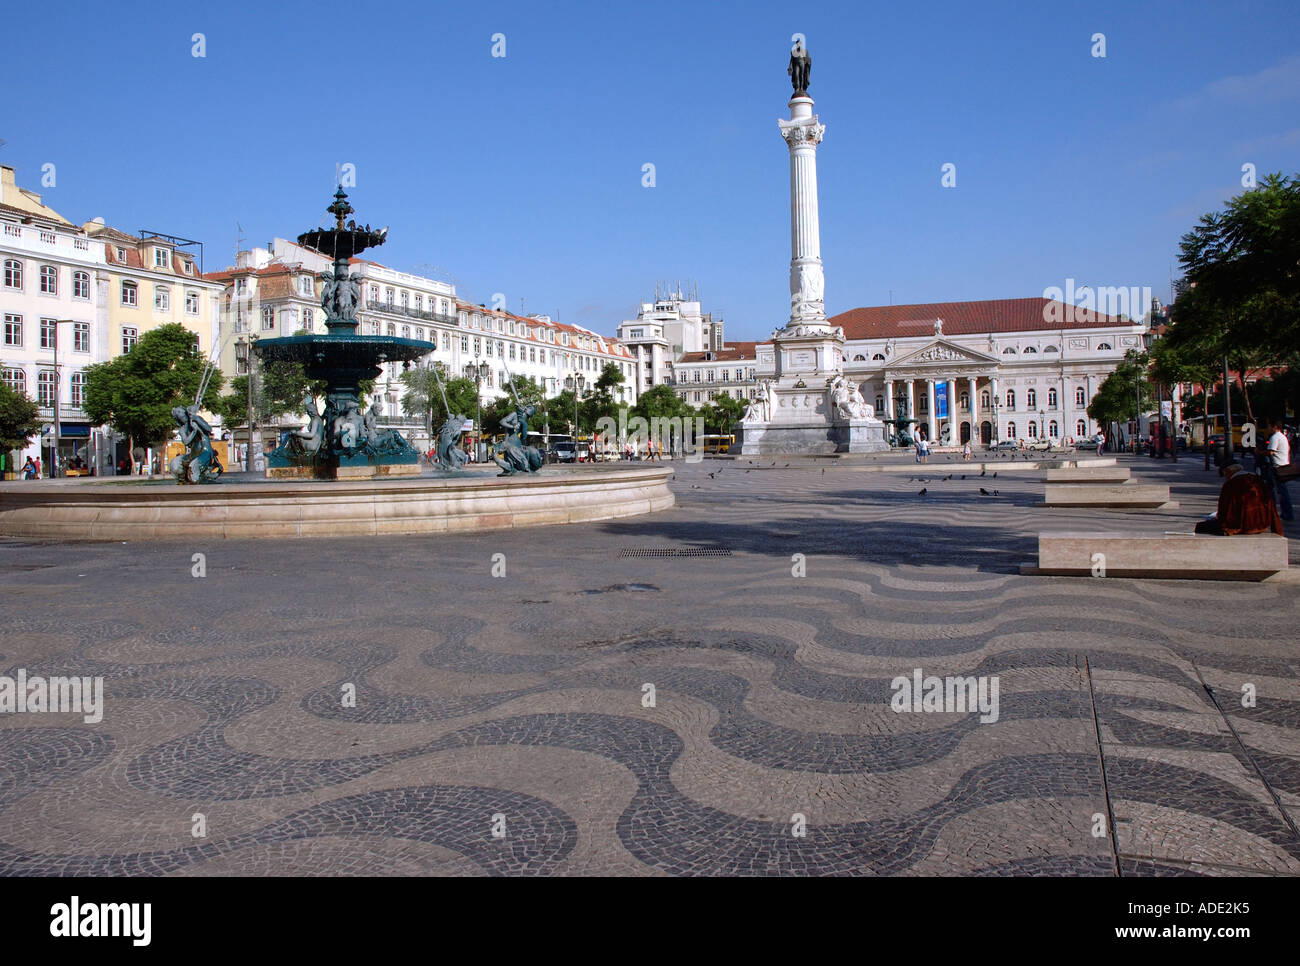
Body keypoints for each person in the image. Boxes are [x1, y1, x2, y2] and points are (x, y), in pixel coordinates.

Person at [1195, 463, 1283, 535]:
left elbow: (1224, 509)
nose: (1226, 478)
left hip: (1244, 524)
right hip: (1263, 523)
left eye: (1225, 475)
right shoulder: (1257, 480)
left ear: (1229, 471)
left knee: (1202, 527)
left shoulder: (1231, 484)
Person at [1266, 417, 1294, 521]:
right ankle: (1276, 511)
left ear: (1274, 427)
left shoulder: (1275, 437)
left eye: (1269, 426)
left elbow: (1271, 452)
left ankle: (1286, 513)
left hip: (1277, 468)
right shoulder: (1282, 437)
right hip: (1282, 466)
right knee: (1273, 489)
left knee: (1281, 491)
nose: (1268, 428)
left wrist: (1259, 452)